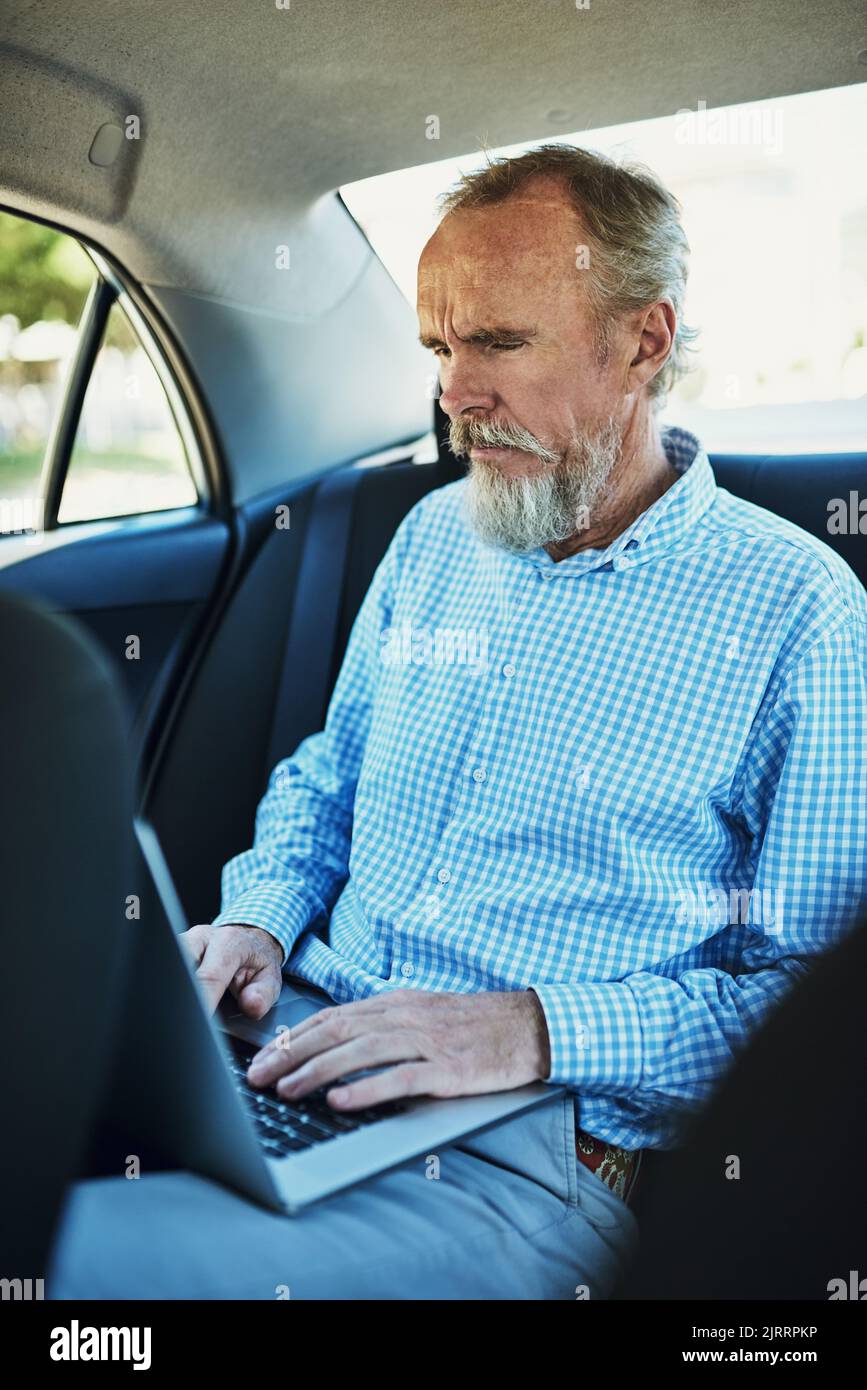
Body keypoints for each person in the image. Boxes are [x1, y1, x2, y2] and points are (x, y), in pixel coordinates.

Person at [49, 145, 867, 1300]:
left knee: (84, 1274)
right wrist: (260, 920)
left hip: (524, 1156)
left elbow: (813, 1014)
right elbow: (330, 777)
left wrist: (529, 1030)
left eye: (497, 341)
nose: (451, 392)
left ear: (645, 340)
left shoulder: (800, 614)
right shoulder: (437, 537)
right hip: (279, 1045)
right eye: (441, 347)